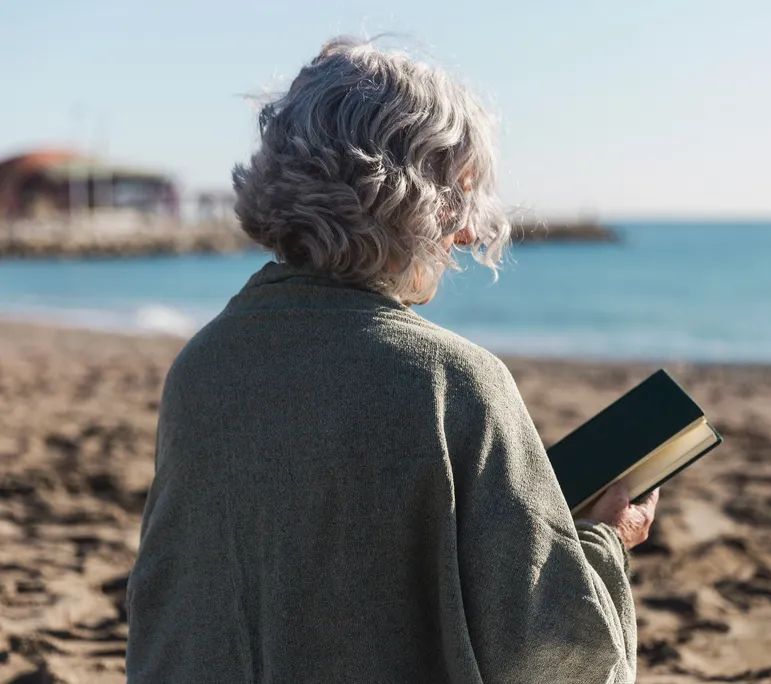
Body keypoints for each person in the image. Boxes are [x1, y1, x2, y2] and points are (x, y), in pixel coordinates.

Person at [125, 35, 658, 684]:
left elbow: (176, 614)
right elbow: (551, 662)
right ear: (413, 201)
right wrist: (603, 543)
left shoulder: (203, 367)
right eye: (461, 196)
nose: (466, 233)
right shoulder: (453, 384)